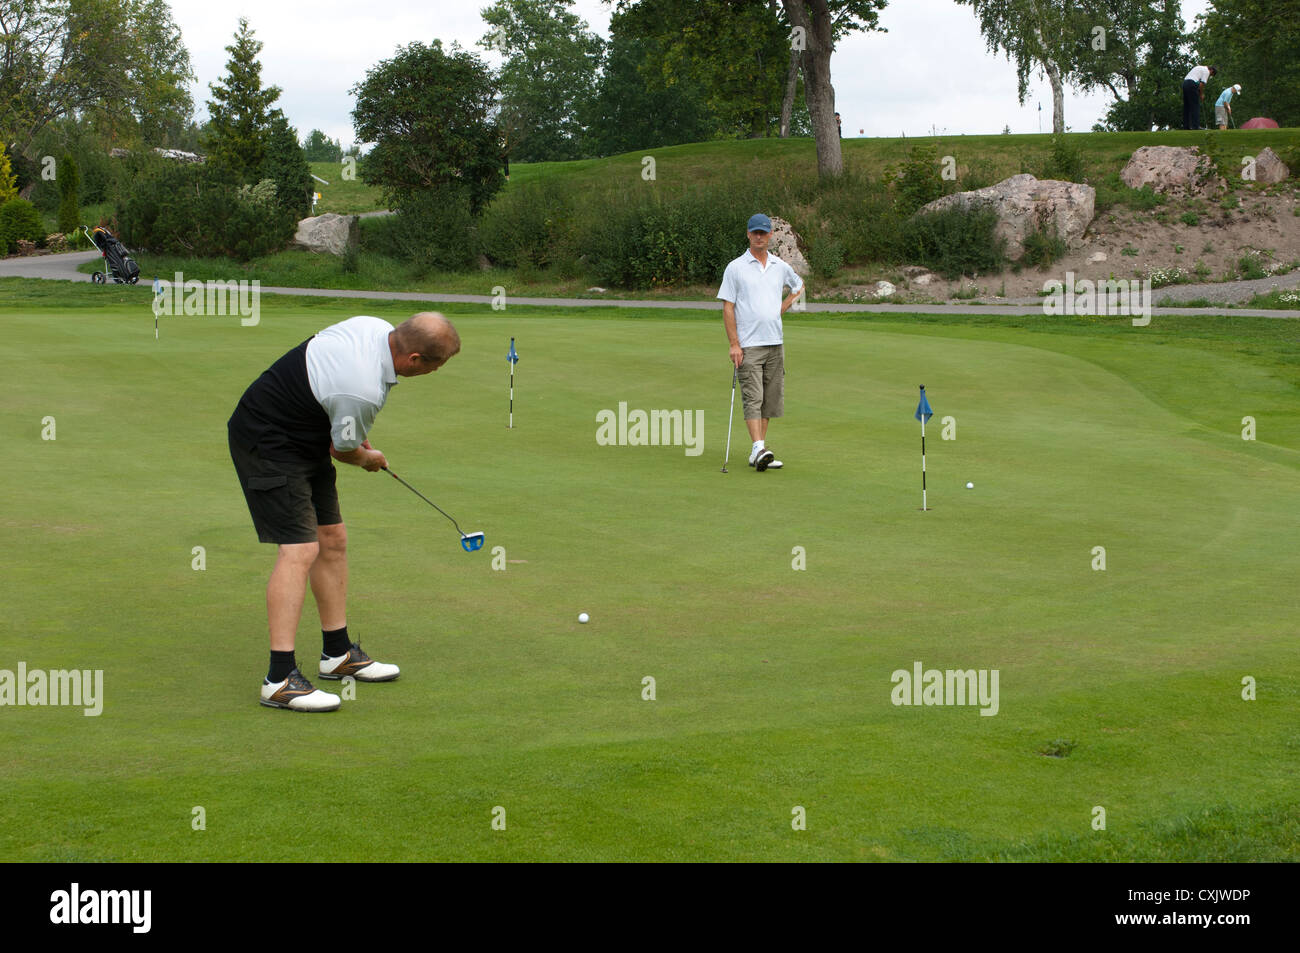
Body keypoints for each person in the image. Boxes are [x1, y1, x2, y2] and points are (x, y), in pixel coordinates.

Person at [228, 312, 461, 712]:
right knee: (299, 550)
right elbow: (344, 449)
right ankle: (279, 679)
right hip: (267, 439)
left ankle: (337, 655)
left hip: (306, 431)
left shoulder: (374, 326)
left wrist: (353, 433)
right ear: (415, 359)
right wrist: (367, 458)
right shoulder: (363, 389)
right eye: (438, 365)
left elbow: (337, 404)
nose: (437, 372)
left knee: (331, 539)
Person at [716, 213, 805, 472]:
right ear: (748, 234)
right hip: (748, 343)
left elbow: (799, 286)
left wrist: (782, 307)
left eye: (763, 233)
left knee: (769, 398)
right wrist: (734, 343)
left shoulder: (779, 266)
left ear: (770, 236)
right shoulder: (735, 267)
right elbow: (728, 307)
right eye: (754, 232)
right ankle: (758, 447)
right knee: (753, 396)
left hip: (775, 342)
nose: (758, 237)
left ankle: (759, 448)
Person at [1182, 64, 1218, 130]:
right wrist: (1201, 94)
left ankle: (1186, 126)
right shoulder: (1207, 71)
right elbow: (1201, 84)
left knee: (1187, 106)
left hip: (1185, 83)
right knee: (1195, 106)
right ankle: (1195, 126)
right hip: (1192, 84)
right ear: (1211, 70)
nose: (1210, 75)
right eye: (1211, 74)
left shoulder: (1199, 67)